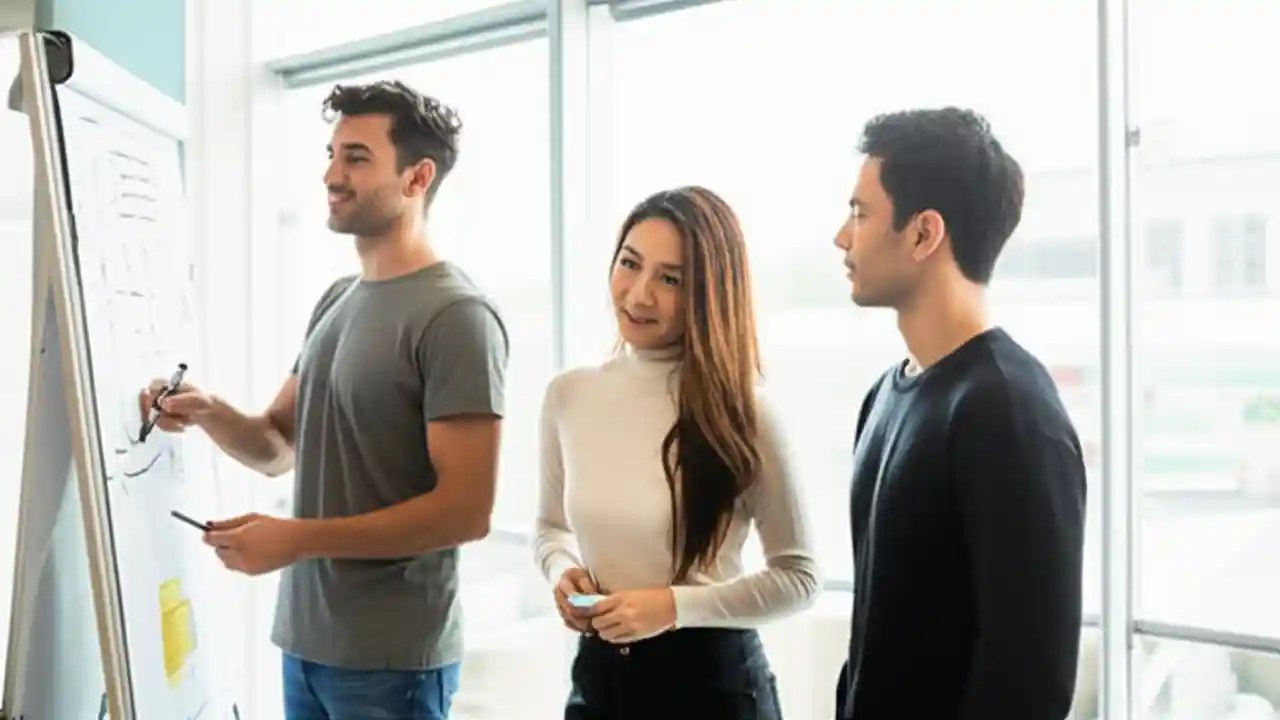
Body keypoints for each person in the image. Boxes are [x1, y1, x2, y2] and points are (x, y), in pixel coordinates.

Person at [139, 81, 509, 720]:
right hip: (306, 645)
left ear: (418, 178)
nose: (331, 175)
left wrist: (298, 539)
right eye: (333, 154)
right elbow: (278, 445)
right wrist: (206, 411)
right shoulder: (338, 299)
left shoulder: (457, 316)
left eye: (357, 158)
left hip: (391, 663)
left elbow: (465, 511)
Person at [829, 107, 1087, 719]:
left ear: (923, 233)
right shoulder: (885, 396)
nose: (843, 236)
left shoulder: (1011, 411)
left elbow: (1029, 681)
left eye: (861, 214)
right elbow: (876, 634)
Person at [534, 186, 821, 719]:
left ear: (710, 293)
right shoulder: (568, 395)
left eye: (670, 279)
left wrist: (673, 607)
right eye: (629, 264)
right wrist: (561, 573)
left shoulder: (746, 414)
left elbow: (799, 578)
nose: (639, 294)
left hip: (711, 687)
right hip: (598, 681)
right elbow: (550, 528)